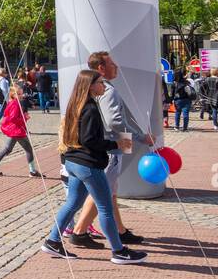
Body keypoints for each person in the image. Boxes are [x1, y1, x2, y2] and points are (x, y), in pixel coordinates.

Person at [41, 69, 147, 263]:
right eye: (100, 82)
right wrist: (115, 144)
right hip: (87, 164)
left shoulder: (76, 104)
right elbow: (90, 141)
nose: (104, 86)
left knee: (72, 203)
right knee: (105, 207)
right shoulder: (90, 108)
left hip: (73, 161)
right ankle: (119, 251)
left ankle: (52, 241)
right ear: (90, 86)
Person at [66, 51, 153, 247]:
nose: (117, 67)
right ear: (101, 69)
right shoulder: (108, 90)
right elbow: (114, 122)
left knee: (110, 192)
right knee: (102, 193)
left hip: (105, 148)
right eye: (112, 64)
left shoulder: (99, 90)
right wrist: (139, 137)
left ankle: (119, 231)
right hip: (110, 149)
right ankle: (79, 232)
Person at [0, 83, 39, 177]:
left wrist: (24, 120)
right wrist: (25, 117)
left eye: (21, 93)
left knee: (7, 149)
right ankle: (32, 171)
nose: (21, 95)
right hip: (16, 130)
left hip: (14, 130)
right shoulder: (15, 104)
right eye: (18, 94)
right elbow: (13, 118)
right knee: (28, 149)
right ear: (13, 94)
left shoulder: (14, 102)